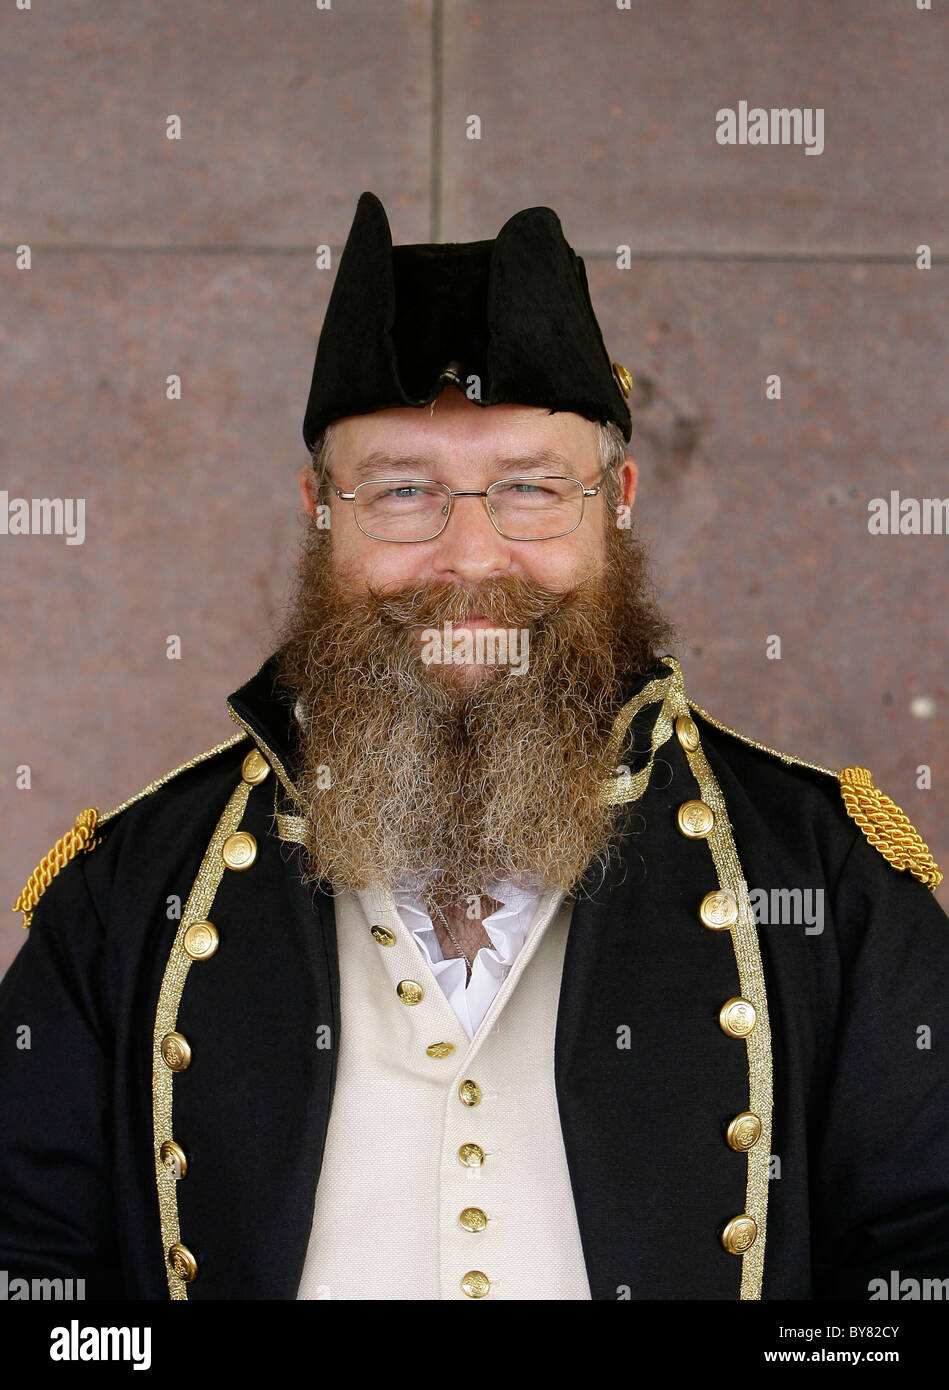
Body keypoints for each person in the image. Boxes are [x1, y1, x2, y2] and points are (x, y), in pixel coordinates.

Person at [2, 191, 947, 1303]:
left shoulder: (829, 877)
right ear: (318, 509)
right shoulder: (127, 892)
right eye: (402, 491)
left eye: (529, 489)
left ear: (617, 501)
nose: (468, 555)